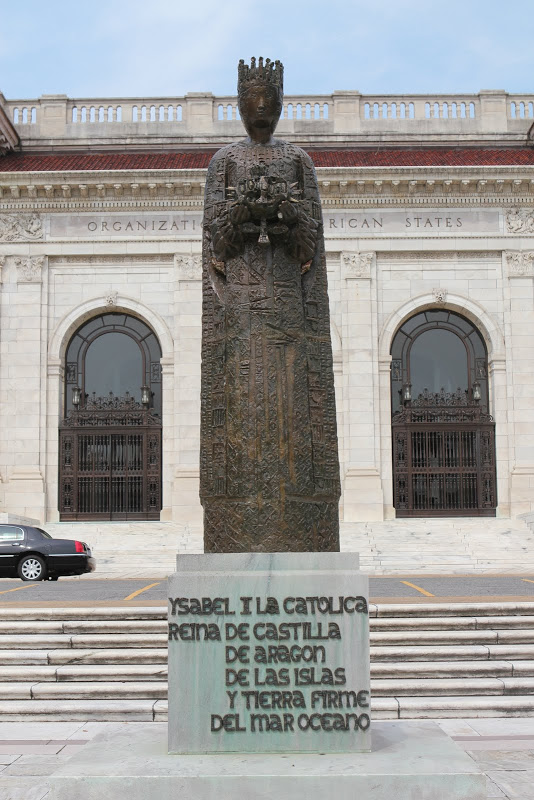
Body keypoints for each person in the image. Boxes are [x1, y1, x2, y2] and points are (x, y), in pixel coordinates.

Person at [200, 58, 340, 552]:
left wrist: (284, 210)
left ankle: (303, 519)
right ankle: (235, 516)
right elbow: (215, 243)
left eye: (269, 105)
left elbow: (311, 247)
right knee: (239, 416)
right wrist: (242, 209)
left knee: (294, 418)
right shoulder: (223, 163)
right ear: (239, 105)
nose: (260, 112)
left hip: (286, 314)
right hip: (238, 313)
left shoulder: (299, 162)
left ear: (280, 105)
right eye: (251, 105)